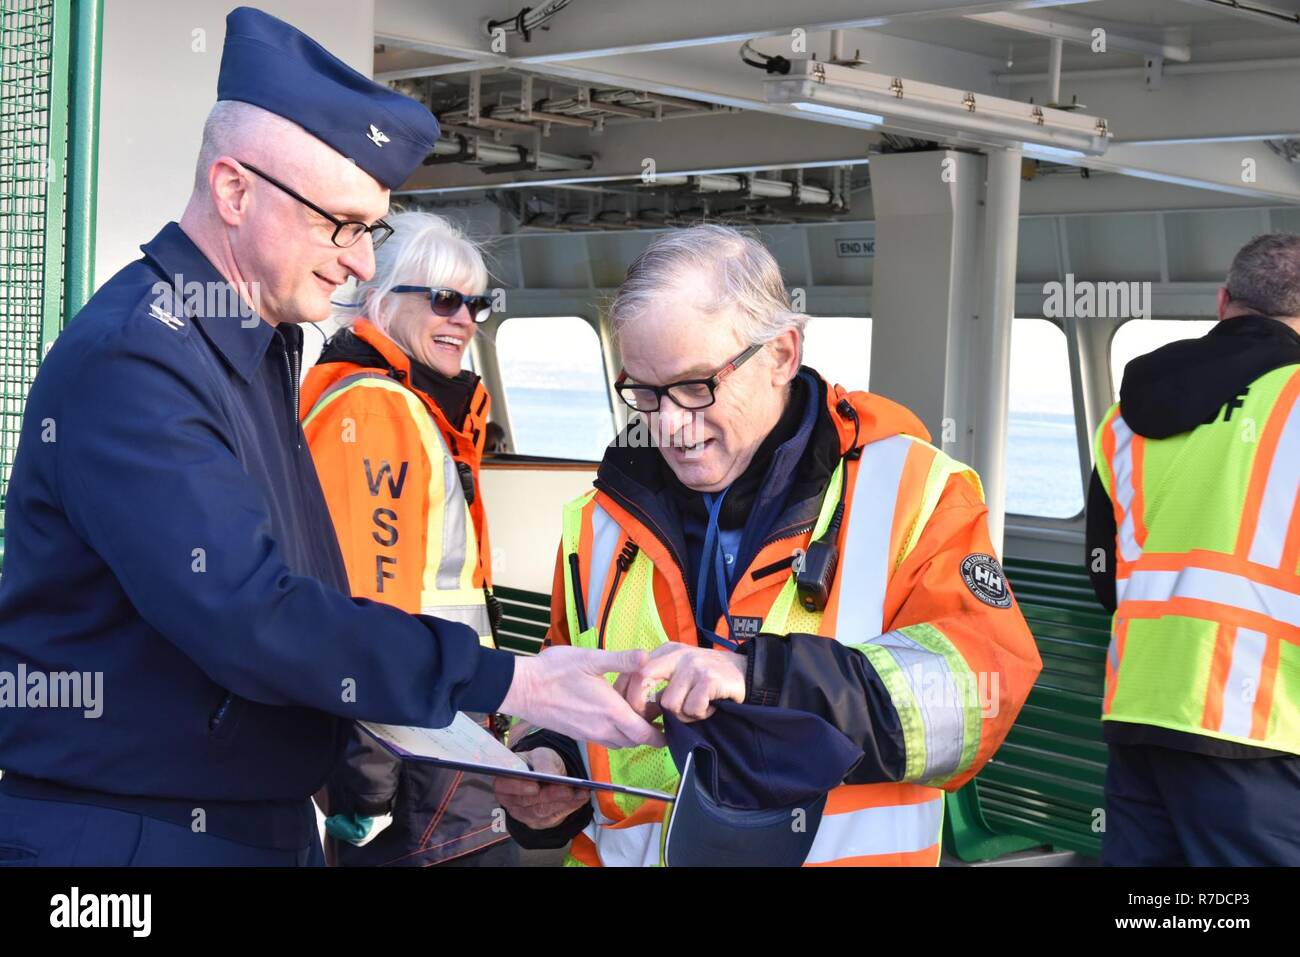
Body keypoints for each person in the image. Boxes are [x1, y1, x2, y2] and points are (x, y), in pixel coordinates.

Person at [0, 6, 655, 867]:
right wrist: (513, 677)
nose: (356, 262)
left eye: (370, 231)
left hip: (247, 820)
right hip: (131, 834)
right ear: (233, 188)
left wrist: (359, 771)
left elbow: (310, 585)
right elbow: (249, 613)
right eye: (338, 224)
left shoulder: (252, 346)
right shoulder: (139, 356)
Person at [495, 224, 1043, 866]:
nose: (669, 425)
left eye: (697, 386)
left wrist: (759, 679)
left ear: (781, 353)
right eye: (643, 392)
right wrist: (552, 762)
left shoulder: (915, 492)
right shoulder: (599, 518)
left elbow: (978, 692)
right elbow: (574, 677)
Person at [301, 211, 514, 866]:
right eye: (444, 300)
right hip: (424, 773)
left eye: (474, 303)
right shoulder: (376, 410)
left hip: (435, 749)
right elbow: (367, 608)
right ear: (380, 299)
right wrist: (365, 787)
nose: (465, 319)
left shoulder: (373, 397)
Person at [1087, 233, 1300, 866]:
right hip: (1261, 725)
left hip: (1140, 712)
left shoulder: (1122, 417)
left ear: (1223, 301)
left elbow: (1105, 577)